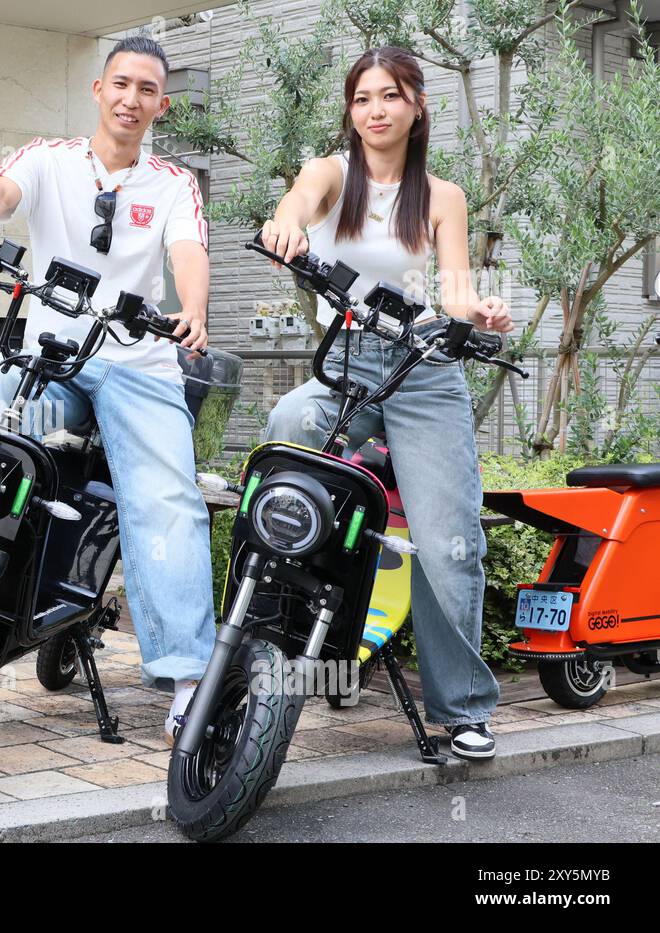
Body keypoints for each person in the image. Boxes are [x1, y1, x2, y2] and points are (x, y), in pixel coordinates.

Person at [0, 35, 213, 744]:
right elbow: (1, 190)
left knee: (168, 501)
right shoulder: (49, 159)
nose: (131, 99)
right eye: (121, 83)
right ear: (98, 89)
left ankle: (186, 678)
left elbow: (189, 251)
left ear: (162, 105)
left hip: (138, 365)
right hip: (51, 355)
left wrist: (194, 308)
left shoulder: (174, 183)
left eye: (147, 90)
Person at [262, 46, 513, 761]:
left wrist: (480, 312)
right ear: (352, 110)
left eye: (391, 97)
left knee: (446, 541)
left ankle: (462, 708)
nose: (375, 110)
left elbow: (455, 288)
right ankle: (265, 639)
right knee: (287, 425)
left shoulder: (442, 195)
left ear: (416, 107)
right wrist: (283, 227)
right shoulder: (328, 174)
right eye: (363, 98)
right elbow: (293, 208)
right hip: (344, 358)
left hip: (424, 366)